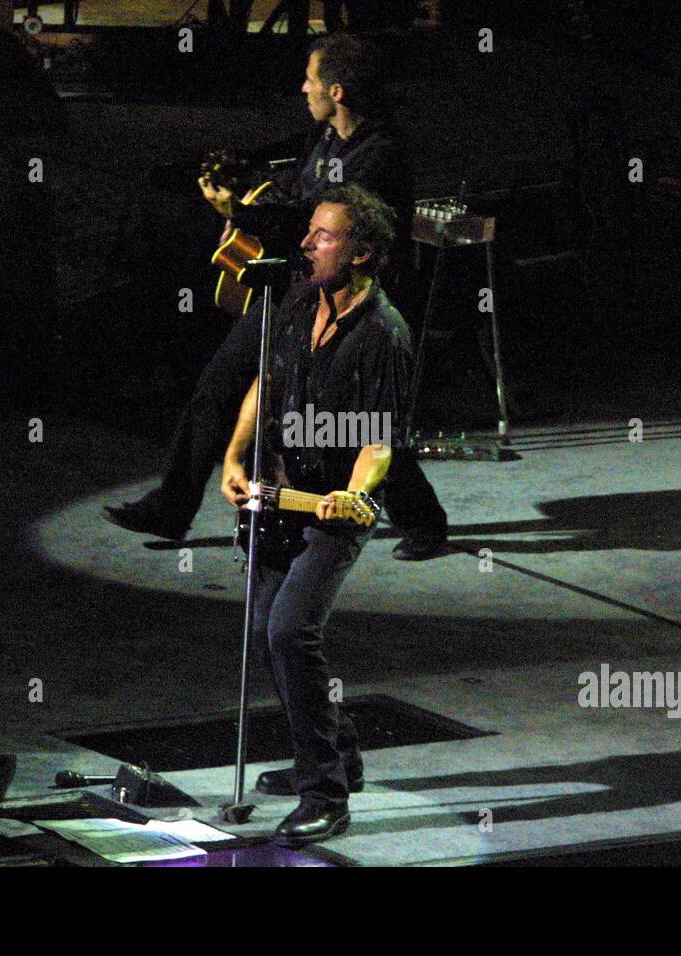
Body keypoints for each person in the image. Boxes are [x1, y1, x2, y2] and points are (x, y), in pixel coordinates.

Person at [105, 32, 448, 560]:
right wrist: (236, 178)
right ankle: (171, 507)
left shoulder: (378, 154)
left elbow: (307, 218)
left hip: (355, 304)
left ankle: (425, 520)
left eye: (310, 79)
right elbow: (291, 183)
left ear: (336, 90)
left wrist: (237, 213)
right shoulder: (325, 138)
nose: (302, 87)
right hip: (301, 290)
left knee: (352, 421)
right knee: (219, 383)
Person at [221, 184, 406, 846]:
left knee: (289, 631)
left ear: (362, 253)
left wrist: (356, 493)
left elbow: (378, 443)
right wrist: (235, 457)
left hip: (332, 510)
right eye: (310, 232)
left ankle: (324, 792)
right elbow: (265, 385)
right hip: (277, 499)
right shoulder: (299, 302)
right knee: (267, 631)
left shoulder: (383, 333)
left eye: (323, 236)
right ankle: (335, 752)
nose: (306, 244)